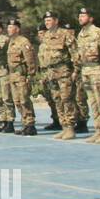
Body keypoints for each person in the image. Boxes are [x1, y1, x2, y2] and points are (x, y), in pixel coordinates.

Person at [74, 7, 100, 143]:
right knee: (93, 102)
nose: (80, 18)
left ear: (91, 18)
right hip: (86, 71)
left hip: (97, 71)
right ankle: (98, 130)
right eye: (79, 15)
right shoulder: (81, 34)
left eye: (83, 16)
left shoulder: (98, 33)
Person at [39, 12, 78, 140]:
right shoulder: (46, 36)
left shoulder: (65, 34)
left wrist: (76, 71)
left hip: (63, 72)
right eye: (46, 21)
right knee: (57, 99)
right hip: (51, 73)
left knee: (67, 99)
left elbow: (75, 53)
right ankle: (64, 126)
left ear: (56, 21)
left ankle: (71, 127)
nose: (47, 22)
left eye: (49, 20)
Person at [4, 19, 38, 135]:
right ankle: (25, 123)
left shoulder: (23, 42)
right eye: (8, 27)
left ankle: (30, 124)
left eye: (11, 27)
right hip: (13, 75)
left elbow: (30, 60)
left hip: (22, 76)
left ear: (17, 29)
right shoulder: (11, 42)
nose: (8, 29)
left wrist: (30, 75)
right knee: (17, 101)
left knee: (24, 100)